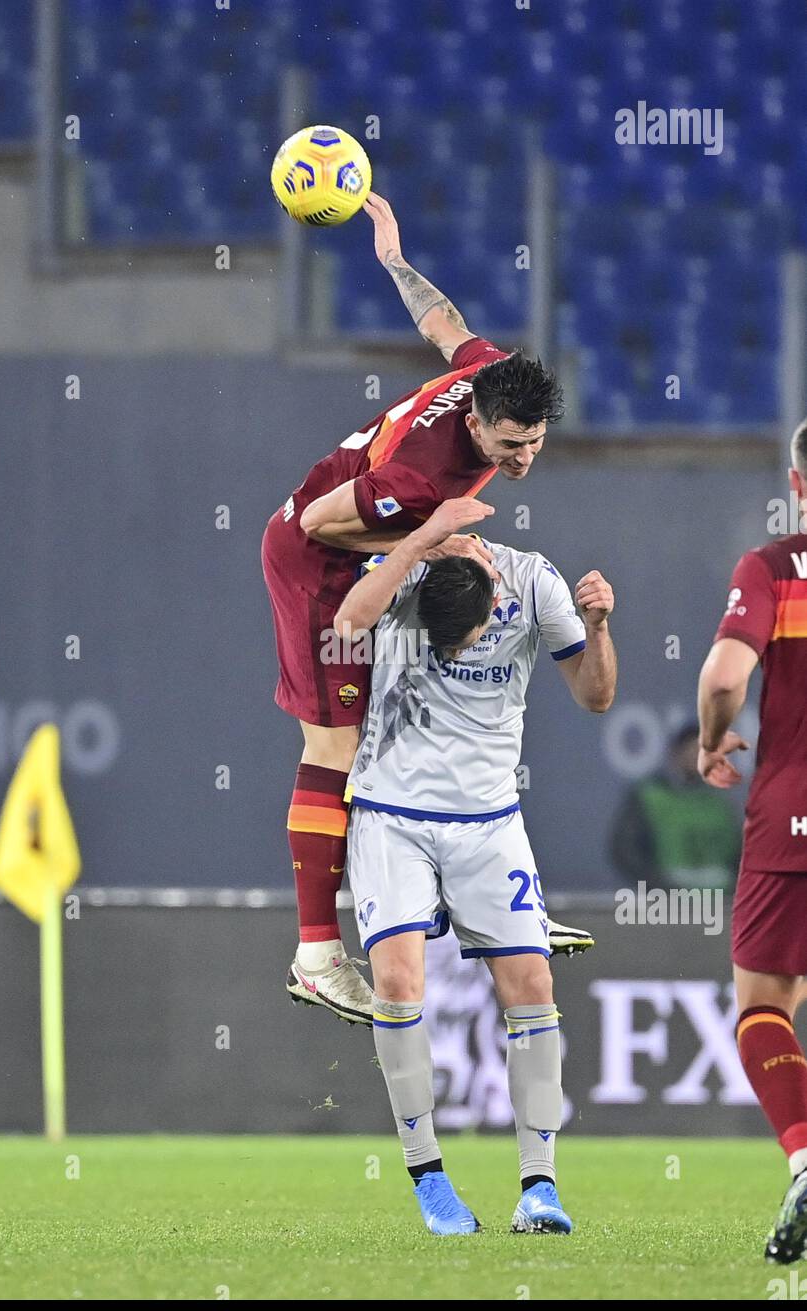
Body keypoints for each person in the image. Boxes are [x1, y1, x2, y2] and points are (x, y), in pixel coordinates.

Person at [262, 192, 576, 1026]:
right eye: (509, 447)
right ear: (475, 423)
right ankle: (318, 955)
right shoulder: (415, 483)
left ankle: (499, 907)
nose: (522, 460)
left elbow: (445, 323)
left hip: (367, 549)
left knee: (416, 710)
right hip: (318, 563)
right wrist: (425, 534)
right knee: (337, 747)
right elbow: (318, 519)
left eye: (536, 444)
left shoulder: (489, 375)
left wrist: (393, 258)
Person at [336, 498, 616, 1234]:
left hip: (489, 823)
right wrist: (415, 545)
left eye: (463, 639)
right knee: (397, 983)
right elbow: (347, 621)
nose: (454, 652)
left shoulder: (534, 580)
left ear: (497, 599)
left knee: (533, 986)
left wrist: (596, 628)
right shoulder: (404, 573)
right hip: (391, 815)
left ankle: (540, 1189)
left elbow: (596, 695)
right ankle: (429, 1179)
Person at [696, 416, 807, 1264]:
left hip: (789, 818)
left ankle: (806, 1159)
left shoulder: (773, 569)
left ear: (797, 485)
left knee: (763, 1005)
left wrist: (709, 741)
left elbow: (727, 676)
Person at [609, 723, 741, 890]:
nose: (697, 757)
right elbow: (626, 850)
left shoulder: (720, 802)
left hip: (720, 901)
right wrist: (657, 885)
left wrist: (736, 885)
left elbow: (740, 852)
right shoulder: (650, 798)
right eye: (692, 750)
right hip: (669, 903)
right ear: (676, 753)